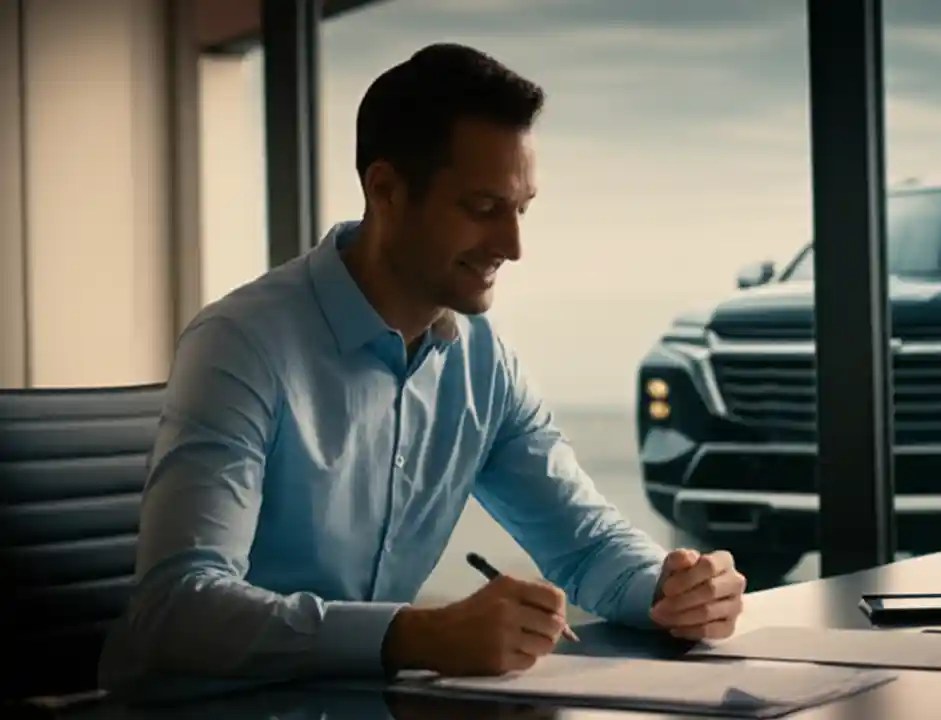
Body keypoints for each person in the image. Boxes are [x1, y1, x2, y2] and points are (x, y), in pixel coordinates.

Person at [98, 43, 746, 696]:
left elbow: (585, 546)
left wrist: (670, 588)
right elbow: (177, 611)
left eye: (520, 209)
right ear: (385, 190)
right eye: (483, 208)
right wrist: (418, 635)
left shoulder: (484, 362)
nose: (513, 247)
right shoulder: (242, 344)